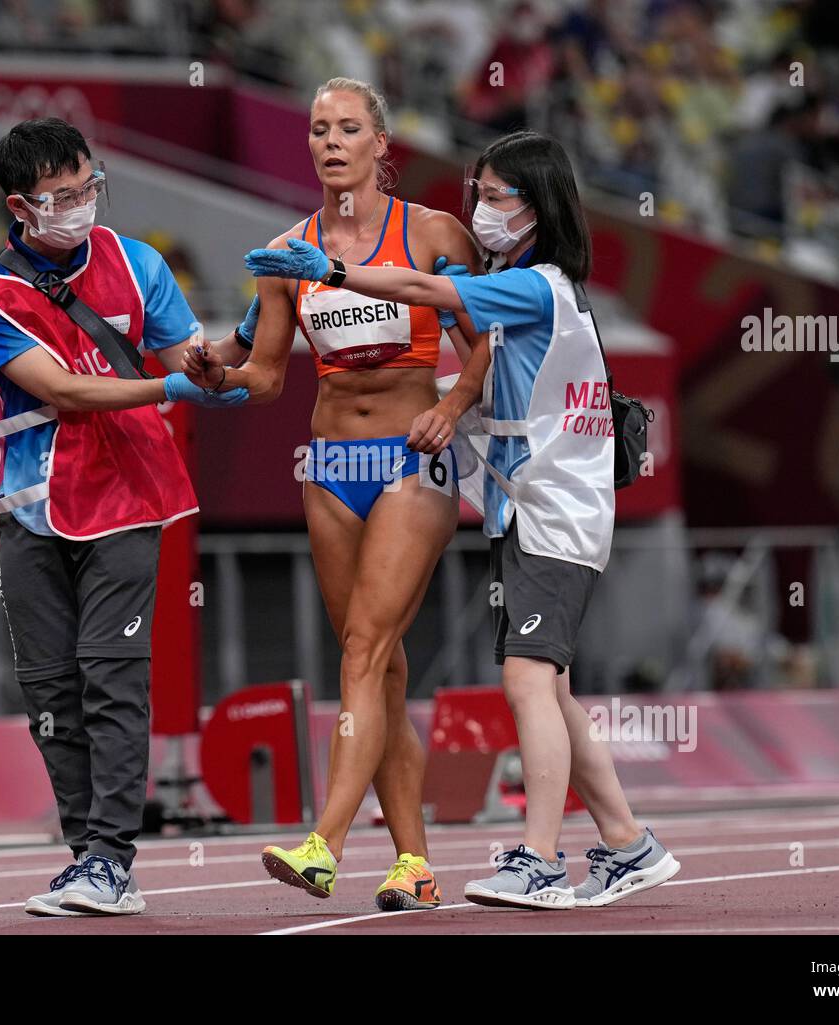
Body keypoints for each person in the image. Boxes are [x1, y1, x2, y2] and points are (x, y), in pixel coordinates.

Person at [244, 130, 680, 909]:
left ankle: (540, 859)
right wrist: (450, 403)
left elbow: (429, 295)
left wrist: (335, 270)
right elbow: (483, 377)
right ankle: (626, 841)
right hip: (537, 507)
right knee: (558, 690)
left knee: (526, 681)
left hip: (556, 513)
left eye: (494, 196)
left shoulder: (536, 284)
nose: (478, 209)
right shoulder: (533, 285)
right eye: (475, 192)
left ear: (537, 208)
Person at [184, 77, 487, 911]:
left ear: (381, 145)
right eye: (320, 128)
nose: (331, 141)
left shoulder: (429, 233)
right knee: (378, 668)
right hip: (330, 469)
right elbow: (269, 376)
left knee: (360, 650)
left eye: (349, 127)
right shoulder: (288, 252)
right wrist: (220, 372)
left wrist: (454, 406)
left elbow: (491, 333)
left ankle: (327, 841)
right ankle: (416, 864)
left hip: (409, 461)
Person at [0, 117, 250, 917]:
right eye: (63, 194)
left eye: (89, 185)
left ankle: (111, 859)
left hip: (127, 491)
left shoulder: (137, 261)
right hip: (28, 499)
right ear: (20, 204)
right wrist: (170, 389)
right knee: (49, 688)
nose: (83, 203)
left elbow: (193, 355)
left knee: (110, 677)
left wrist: (233, 351)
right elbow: (64, 391)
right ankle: (86, 853)